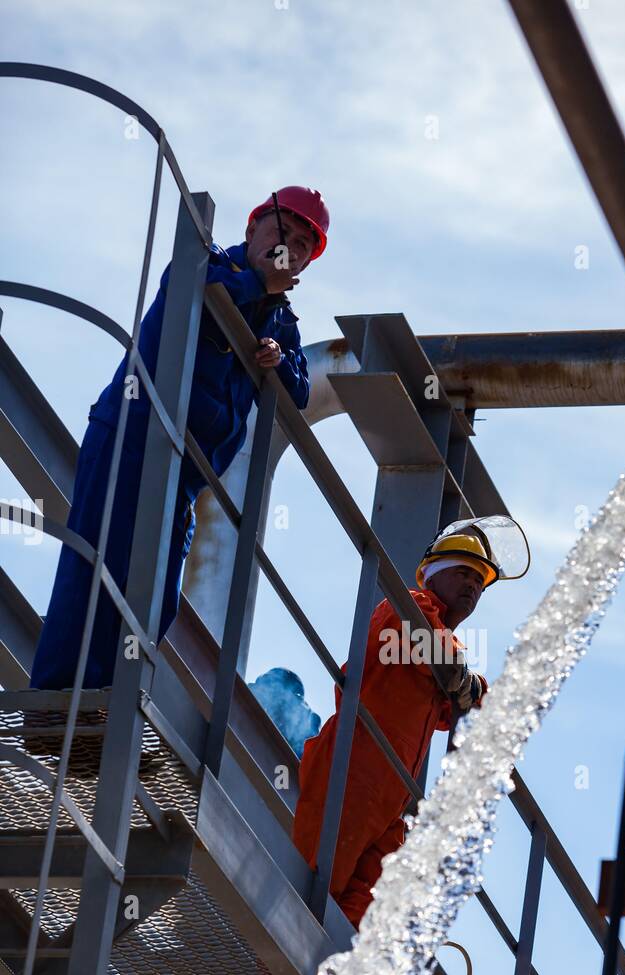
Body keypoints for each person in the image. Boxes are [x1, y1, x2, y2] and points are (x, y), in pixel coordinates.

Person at [29, 186, 329, 691]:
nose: (291, 247)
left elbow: (298, 390)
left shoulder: (282, 321)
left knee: (153, 597)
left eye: (304, 244)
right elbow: (203, 290)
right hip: (132, 435)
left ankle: (107, 703)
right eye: (284, 232)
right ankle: (55, 701)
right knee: (95, 568)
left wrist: (281, 355)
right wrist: (260, 286)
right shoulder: (209, 262)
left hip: (186, 473)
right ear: (253, 227)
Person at [293, 516, 529, 928]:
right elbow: (427, 648)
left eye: (479, 579)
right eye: (463, 572)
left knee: (358, 914)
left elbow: (468, 704)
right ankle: (265, 973)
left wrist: (478, 694)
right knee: (311, 887)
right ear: (433, 576)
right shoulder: (405, 607)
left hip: (390, 798)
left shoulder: (448, 648)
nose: (473, 585)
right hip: (351, 772)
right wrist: (462, 681)